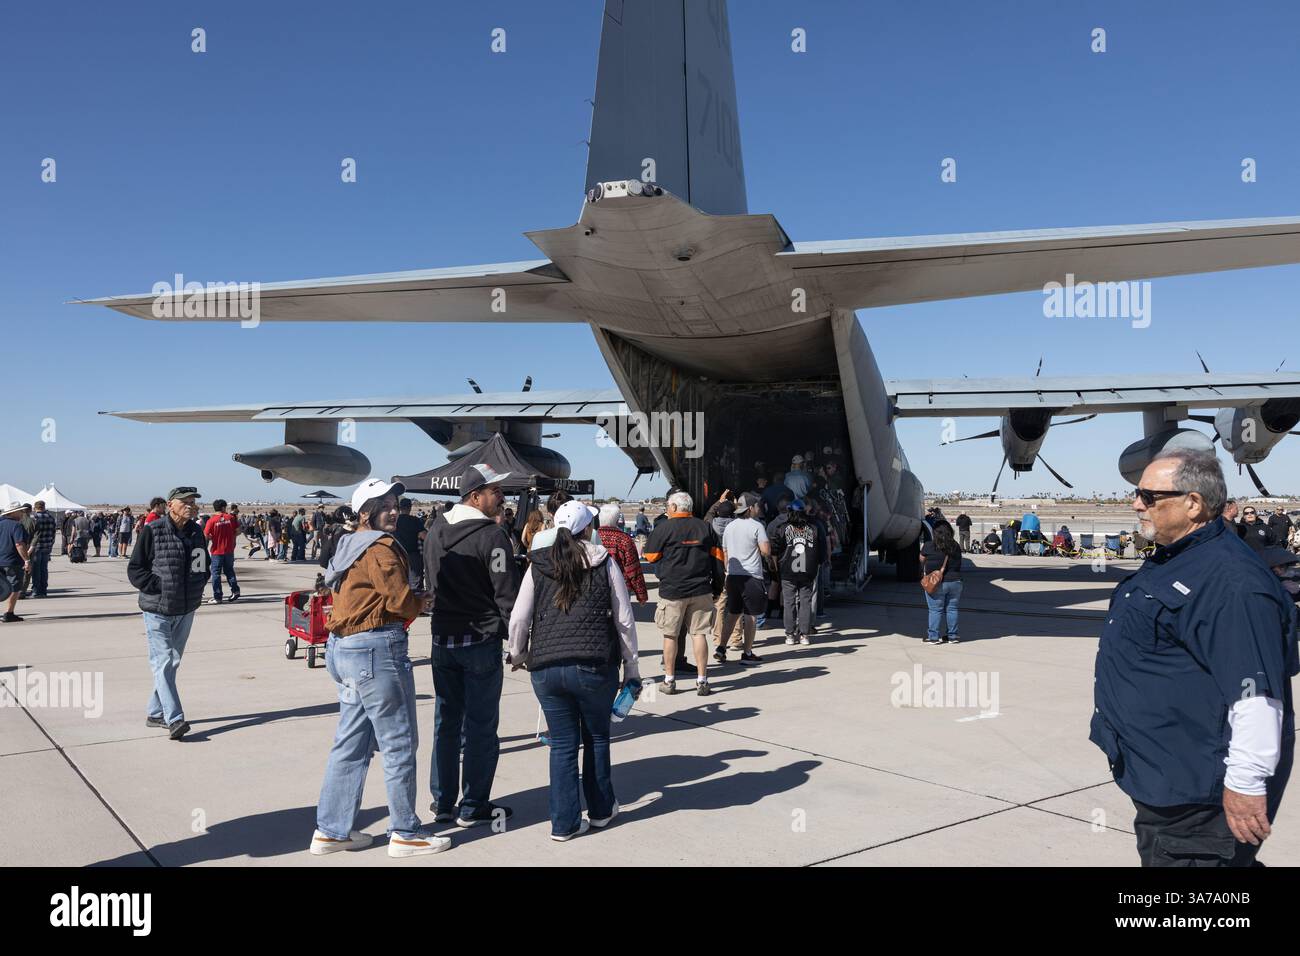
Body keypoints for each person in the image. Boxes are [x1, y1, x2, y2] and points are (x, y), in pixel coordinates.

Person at [1090, 450, 1297, 867]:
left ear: (1194, 503)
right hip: (1165, 781)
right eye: (1137, 494)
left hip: (1200, 799)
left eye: (1149, 496)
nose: (1136, 504)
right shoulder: (1178, 559)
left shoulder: (1231, 582)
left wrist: (1245, 785)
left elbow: (1255, 695)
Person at [311, 478, 448, 858]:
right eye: (384, 504)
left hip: (344, 649)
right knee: (399, 742)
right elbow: (399, 601)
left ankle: (331, 830)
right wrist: (421, 601)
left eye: (394, 503)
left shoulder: (346, 544)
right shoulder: (381, 546)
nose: (394, 510)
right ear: (366, 512)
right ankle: (405, 831)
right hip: (376, 648)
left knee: (351, 743)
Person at [507, 500, 641, 840]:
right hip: (594, 665)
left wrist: (518, 653)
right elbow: (624, 619)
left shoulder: (538, 564)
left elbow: (520, 617)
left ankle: (563, 824)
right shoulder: (603, 561)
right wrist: (632, 666)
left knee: (563, 745)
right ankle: (600, 810)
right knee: (596, 737)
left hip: (547, 668)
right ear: (588, 529)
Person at [422, 463, 521, 828]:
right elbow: (506, 593)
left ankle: (442, 801)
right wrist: (519, 642)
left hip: (442, 638)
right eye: (496, 491)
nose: (503, 497)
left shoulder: (435, 531)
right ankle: (473, 804)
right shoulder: (492, 537)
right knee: (480, 726)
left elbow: (431, 580)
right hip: (480, 639)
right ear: (475, 496)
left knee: (446, 722)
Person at [127, 487, 209, 740]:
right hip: (158, 609)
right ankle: (174, 719)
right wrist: (157, 587)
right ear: (170, 504)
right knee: (164, 662)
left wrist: (198, 584)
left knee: (171, 664)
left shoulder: (196, 532)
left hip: (186, 608)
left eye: (193, 502)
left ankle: (154, 713)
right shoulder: (153, 530)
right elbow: (135, 568)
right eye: (185, 501)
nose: (191, 505)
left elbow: (201, 564)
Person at [642, 490, 725, 695]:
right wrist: (716, 589)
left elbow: (650, 556)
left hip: (673, 591)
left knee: (670, 635)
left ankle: (669, 681)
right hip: (701, 589)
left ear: (673, 507)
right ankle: (702, 680)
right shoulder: (705, 527)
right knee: (699, 634)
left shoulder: (664, 528)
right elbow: (719, 560)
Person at [717, 492, 771, 660]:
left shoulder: (729, 527)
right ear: (750, 509)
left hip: (732, 575)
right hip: (751, 576)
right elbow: (766, 551)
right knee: (751, 616)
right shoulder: (757, 526)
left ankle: (721, 648)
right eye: (756, 506)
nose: (758, 509)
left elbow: (725, 553)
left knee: (732, 613)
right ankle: (747, 653)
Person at [595, 503, 647, 604]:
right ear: (616, 519)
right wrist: (641, 595)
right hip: (621, 587)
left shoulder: (592, 536)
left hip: (596, 586)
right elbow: (633, 569)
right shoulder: (624, 539)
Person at [920, 521, 963, 644]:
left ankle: (933, 637)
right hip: (956, 582)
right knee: (952, 609)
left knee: (935, 610)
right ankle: (952, 636)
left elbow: (921, 559)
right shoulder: (955, 546)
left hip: (937, 583)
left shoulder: (929, 546)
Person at [203, 499, 241, 605]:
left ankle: (218, 596)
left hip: (217, 551)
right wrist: (231, 536)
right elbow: (238, 531)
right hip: (229, 550)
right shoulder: (230, 518)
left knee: (216, 574)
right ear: (223, 508)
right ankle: (235, 590)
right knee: (229, 571)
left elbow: (206, 534)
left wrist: (213, 538)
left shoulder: (212, 520)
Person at [0, 504, 31, 622]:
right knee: (15, 586)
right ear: (12, 513)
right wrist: (27, 560)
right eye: (20, 511)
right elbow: (19, 544)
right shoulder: (17, 526)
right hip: (12, 561)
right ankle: (9, 613)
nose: (22, 513)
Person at [393, 498, 426, 591]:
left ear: (399, 508)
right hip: (413, 556)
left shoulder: (394, 521)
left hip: (397, 555)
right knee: (415, 584)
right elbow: (424, 536)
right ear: (410, 507)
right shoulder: (414, 520)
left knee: (400, 582)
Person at [28, 501, 56, 599]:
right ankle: (43, 590)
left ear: (35, 507)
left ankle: (36, 591)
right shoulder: (51, 517)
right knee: (44, 569)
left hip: (36, 546)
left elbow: (31, 533)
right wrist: (51, 543)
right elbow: (53, 533)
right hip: (47, 545)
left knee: (36, 570)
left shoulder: (33, 518)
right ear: (44, 507)